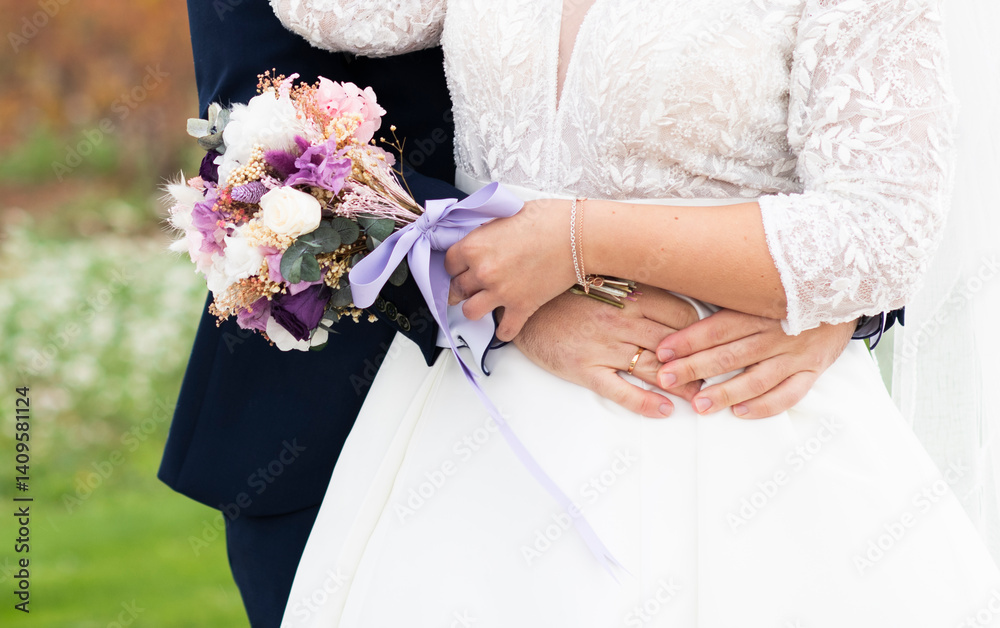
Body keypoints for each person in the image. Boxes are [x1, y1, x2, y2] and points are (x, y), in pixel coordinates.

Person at [270, 1, 1000, 627]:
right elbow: (331, 13)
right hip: (475, 431)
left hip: (730, 424)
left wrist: (577, 240)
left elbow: (885, 229)